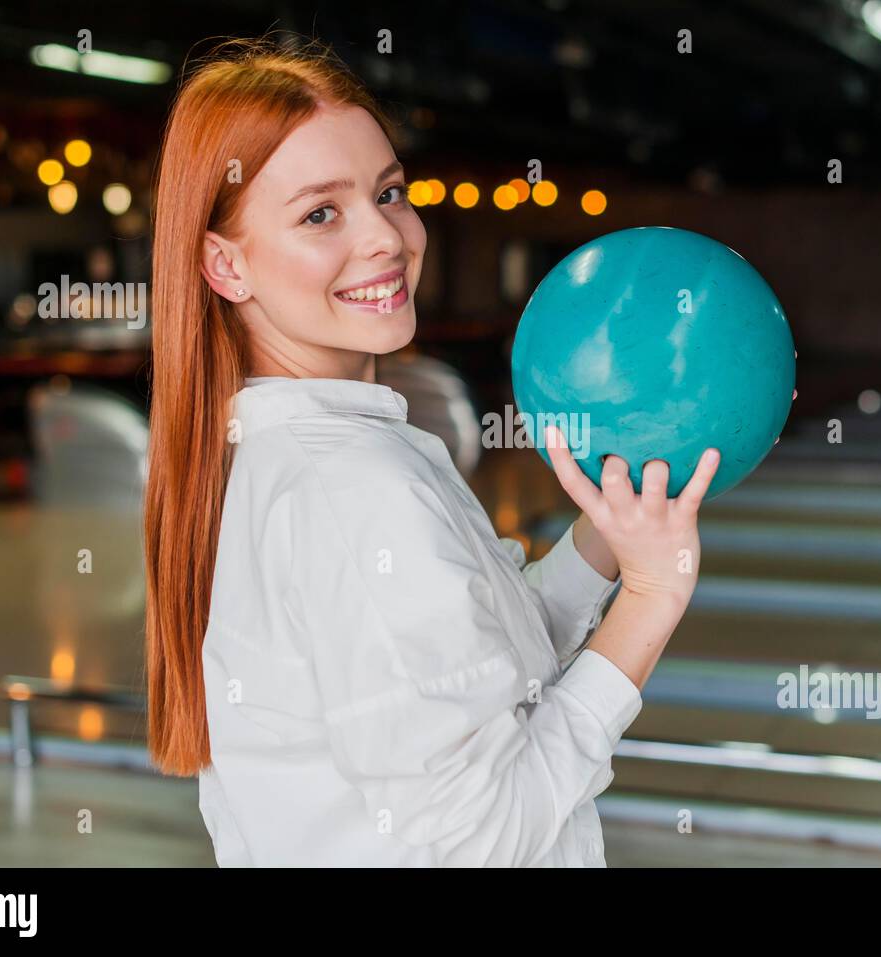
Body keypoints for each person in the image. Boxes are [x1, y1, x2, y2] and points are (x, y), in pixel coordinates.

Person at [143, 36, 720, 866]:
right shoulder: (351, 488)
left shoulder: (287, 457)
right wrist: (653, 596)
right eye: (320, 213)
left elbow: (481, 663)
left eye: (388, 193)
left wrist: (604, 540)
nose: (386, 236)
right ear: (225, 265)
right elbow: (482, 840)